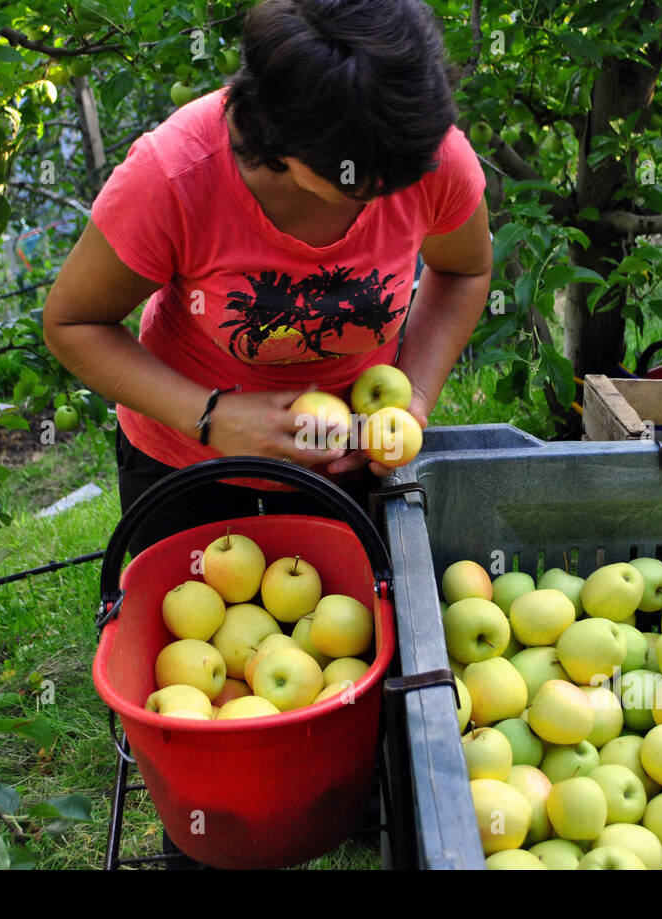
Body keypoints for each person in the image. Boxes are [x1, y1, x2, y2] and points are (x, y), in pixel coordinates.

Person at [43, 0, 492, 544]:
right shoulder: (173, 177)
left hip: (350, 464)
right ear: (276, 138)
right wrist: (211, 418)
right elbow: (73, 323)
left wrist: (413, 398)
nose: (393, 196)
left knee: (350, 623)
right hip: (188, 466)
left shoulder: (417, 151)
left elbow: (462, 271)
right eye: (363, 183)